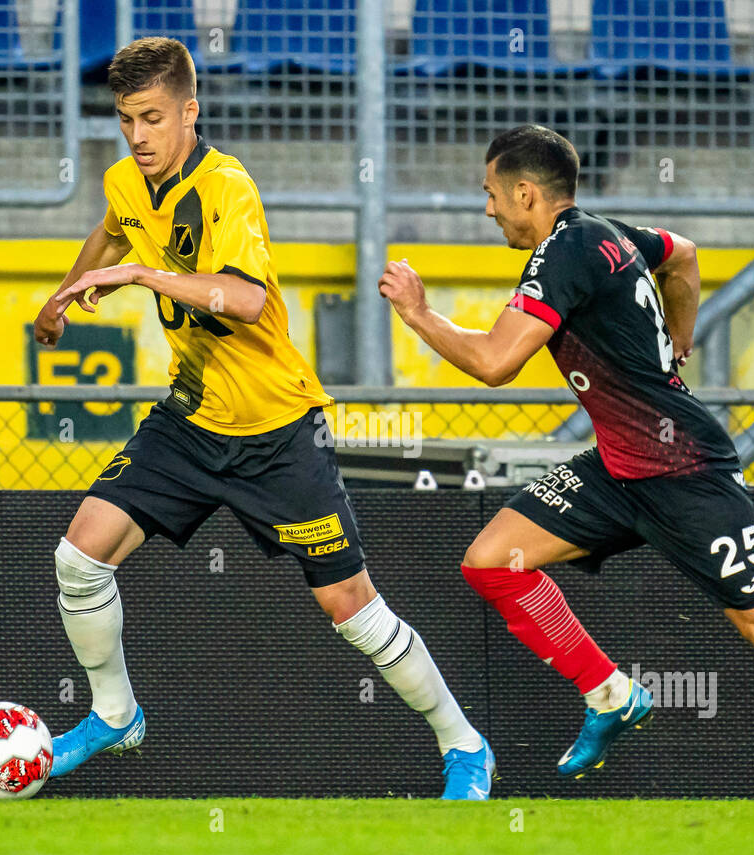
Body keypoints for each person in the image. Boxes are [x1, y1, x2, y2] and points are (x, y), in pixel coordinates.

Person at [377, 124, 754, 805]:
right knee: (493, 560)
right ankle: (611, 694)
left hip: (684, 468)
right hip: (621, 466)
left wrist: (419, 314)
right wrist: (680, 336)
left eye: (490, 195)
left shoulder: (561, 253)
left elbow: (494, 363)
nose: (487, 210)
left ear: (525, 191)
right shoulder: (609, 232)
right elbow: (683, 255)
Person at [32, 37, 494, 799]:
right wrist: (63, 296)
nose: (138, 136)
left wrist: (144, 274)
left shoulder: (226, 187)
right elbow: (113, 230)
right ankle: (115, 715)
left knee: (351, 608)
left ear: (190, 110)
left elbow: (244, 299)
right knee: (79, 557)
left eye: (151, 118)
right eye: (124, 120)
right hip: (190, 419)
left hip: (278, 431)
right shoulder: (126, 180)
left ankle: (464, 744)